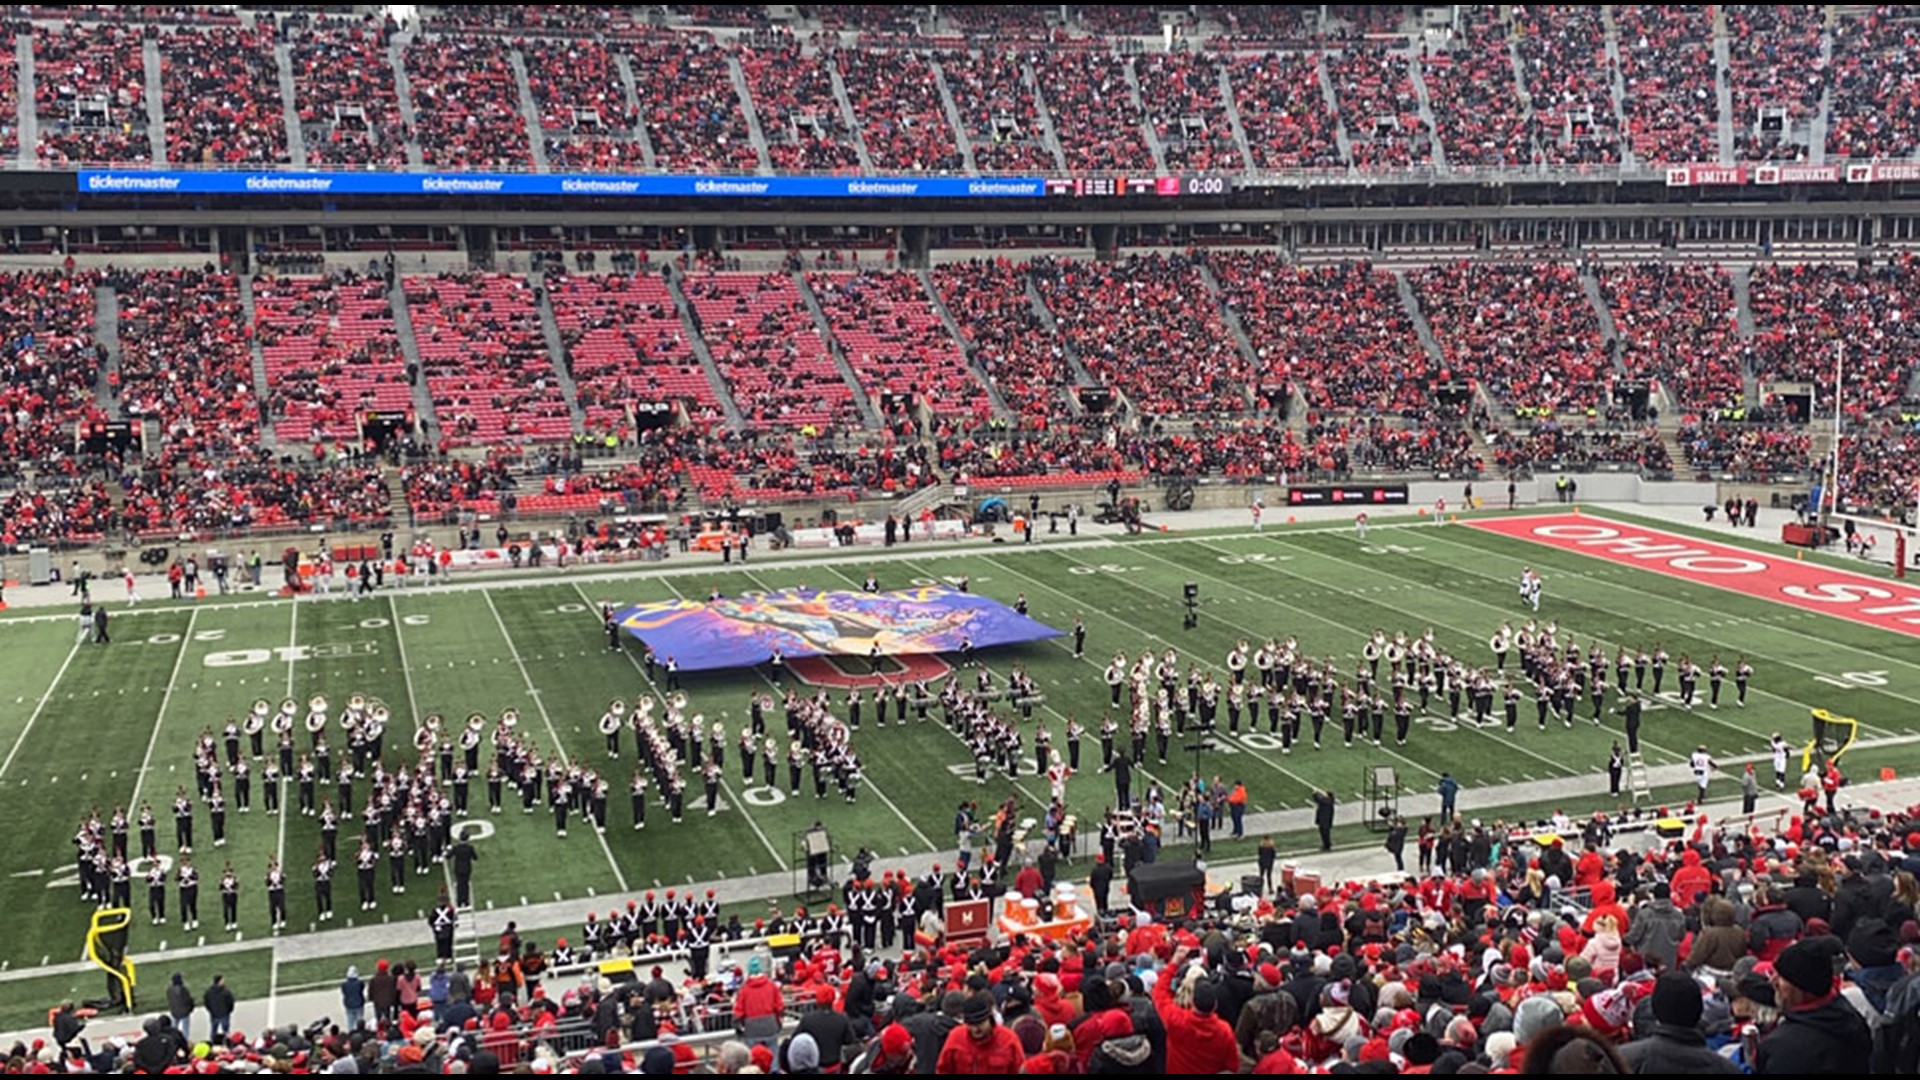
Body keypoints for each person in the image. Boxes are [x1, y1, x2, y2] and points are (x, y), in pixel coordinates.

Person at [1757, 937, 1872, 1074]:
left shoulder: (1785, 1048)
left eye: (1782, 977)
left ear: (1800, 987)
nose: (1773, 981)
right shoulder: (1853, 1019)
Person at [935, 992, 1023, 1074]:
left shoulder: (1009, 1040)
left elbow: (1019, 1069)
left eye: (980, 1023)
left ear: (990, 1018)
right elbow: (943, 1069)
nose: (975, 1029)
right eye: (971, 1024)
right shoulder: (955, 1038)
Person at [203, 975, 234, 1042]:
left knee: (213, 1030)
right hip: (224, 1014)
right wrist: (229, 1010)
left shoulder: (209, 992)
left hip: (214, 1014)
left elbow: (206, 1002)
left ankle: (212, 1042)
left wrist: (211, 1010)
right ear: (219, 982)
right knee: (226, 1031)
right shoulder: (226, 992)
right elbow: (230, 1002)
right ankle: (227, 1043)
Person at [166, 972, 195, 1044]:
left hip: (174, 1011)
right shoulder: (183, 989)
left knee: (174, 1027)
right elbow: (188, 1000)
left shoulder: (169, 990)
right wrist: (191, 1007)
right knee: (185, 1028)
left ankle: (173, 1039)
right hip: (184, 1012)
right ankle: (184, 1041)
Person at [341, 965, 367, 1032]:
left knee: (350, 1021)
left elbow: (344, 992)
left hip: (349, 1004)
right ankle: (360, 1032)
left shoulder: (344, 984)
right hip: (359, 1004)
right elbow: (362, 989)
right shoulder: (360, 983)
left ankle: (351, 1032)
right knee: (359, 1020)